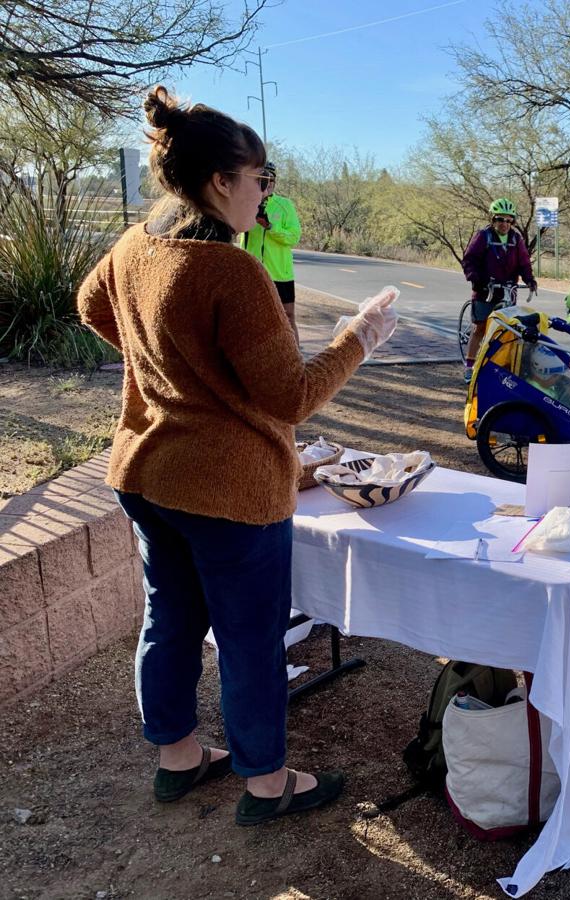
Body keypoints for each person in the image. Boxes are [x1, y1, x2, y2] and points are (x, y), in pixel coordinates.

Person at [77, 86, 398, 825]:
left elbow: (92, 306)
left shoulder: (134, 245)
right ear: (222, 181)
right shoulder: (234, 271)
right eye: (262, 179)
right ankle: (266, 784)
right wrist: (359, 338)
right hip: (228, 492)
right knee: (251, 637)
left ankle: (178, 759)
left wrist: (165, 374)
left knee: (170, 617)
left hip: (145, 473)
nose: (266, 194)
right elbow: (290, 397)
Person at [461, 198, 537, 381]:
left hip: (508, 289)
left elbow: (524, 263)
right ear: (493, 219)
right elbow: (469, 260)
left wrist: (530, 279)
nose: (505, 224)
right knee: (480, 328)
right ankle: (470, 367)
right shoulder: (483, 236)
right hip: (485, 290)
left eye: (509, 220)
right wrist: (477, 280)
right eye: (500, 219)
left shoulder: (516, 239)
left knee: (507, 329)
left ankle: (500, 365)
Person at [239, 161, 302, 342]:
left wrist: (271, 227)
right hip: (253, 272)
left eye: (270, 179)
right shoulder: (247, 203)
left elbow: (293, 237)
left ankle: (296, 360)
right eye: (262, 179)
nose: (267, 183)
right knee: (250, 317)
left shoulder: (284, 205)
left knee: (288, 317)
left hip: (280, 273)